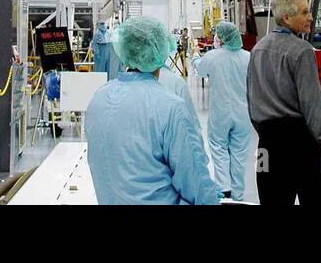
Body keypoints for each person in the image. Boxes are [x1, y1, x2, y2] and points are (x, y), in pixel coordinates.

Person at [85, 16, 220, 205]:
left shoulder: (98, 99)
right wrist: (210, 197)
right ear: (161, 52)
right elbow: (195, 182)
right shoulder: (170, 107)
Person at [247, 0, 321, 205]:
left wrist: (267, 133)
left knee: (271, 200)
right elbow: (312, 103)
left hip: (266, 146)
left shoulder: (257, 50)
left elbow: (251, 100)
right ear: (287, 18)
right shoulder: (303, 51)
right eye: (305, 12)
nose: (310, 17)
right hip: (301, 142)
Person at [193, 20, 253, 200]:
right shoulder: (249, 57)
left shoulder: (213, 57)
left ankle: (223, 189)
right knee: (240, 153)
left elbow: (200, 70)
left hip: (220, 113)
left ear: (222, 38)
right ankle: (238, 193)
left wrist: (196, 56)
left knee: (218, 149)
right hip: (243, 113)